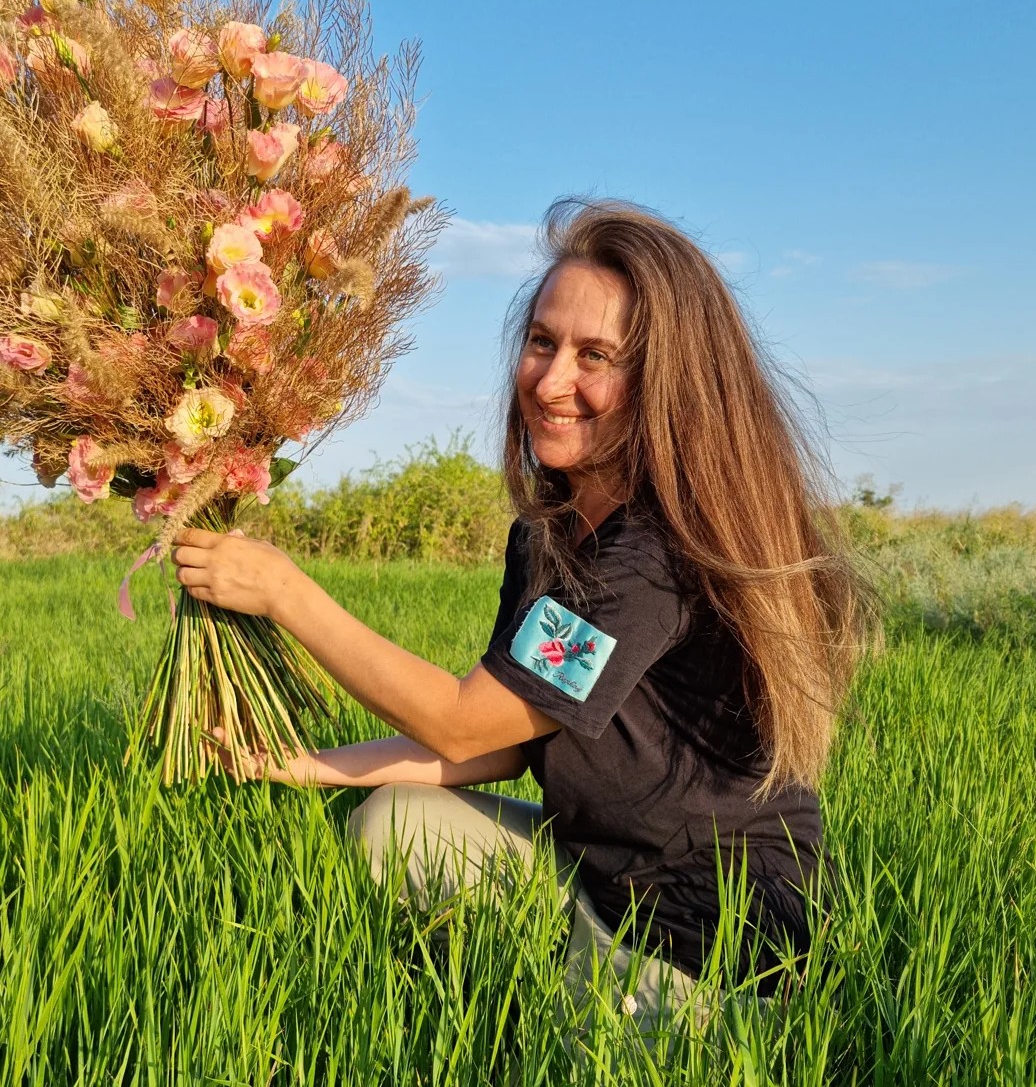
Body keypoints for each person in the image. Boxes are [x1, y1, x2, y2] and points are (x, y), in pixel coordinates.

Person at [170, 198, 869, 1044]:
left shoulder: (651, 557)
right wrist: (305, 764)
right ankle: (559, 966)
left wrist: (287, 593)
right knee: (386, 825)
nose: (550, 380)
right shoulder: (551, 534)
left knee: (563, 1046)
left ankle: (671, 1014)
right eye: (543, 342)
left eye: (596, 356)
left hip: (707, 932)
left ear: (664, 382)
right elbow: (502, 738)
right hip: (592, 869)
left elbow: (459, 721)